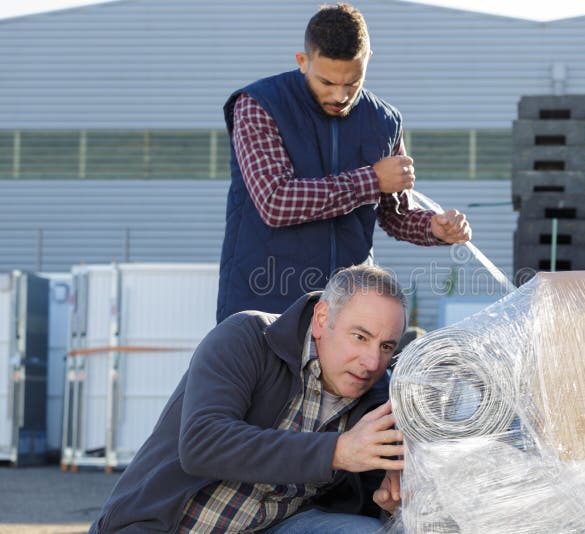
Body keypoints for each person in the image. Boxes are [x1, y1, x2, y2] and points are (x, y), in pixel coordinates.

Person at [91, 265, 408, 533]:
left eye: (385, 347)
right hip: (164, 524)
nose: (371, 362)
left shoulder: (379, 402)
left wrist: (388, 504)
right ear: (322, 319)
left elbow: (364, 505)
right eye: (360, 337)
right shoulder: (249, 337)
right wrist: (336, 452)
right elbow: (203, 443)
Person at [216, 2, 472, 323]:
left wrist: (434, 227)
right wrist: (373, 180)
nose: (340, 96)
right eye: (327, 83)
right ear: (302, 61)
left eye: (352, 83)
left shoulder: (385, 121)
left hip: (347, 312)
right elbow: (275, 202)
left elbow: (395, 215)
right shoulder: (259, 106)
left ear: (367, 62)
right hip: (264, 306)